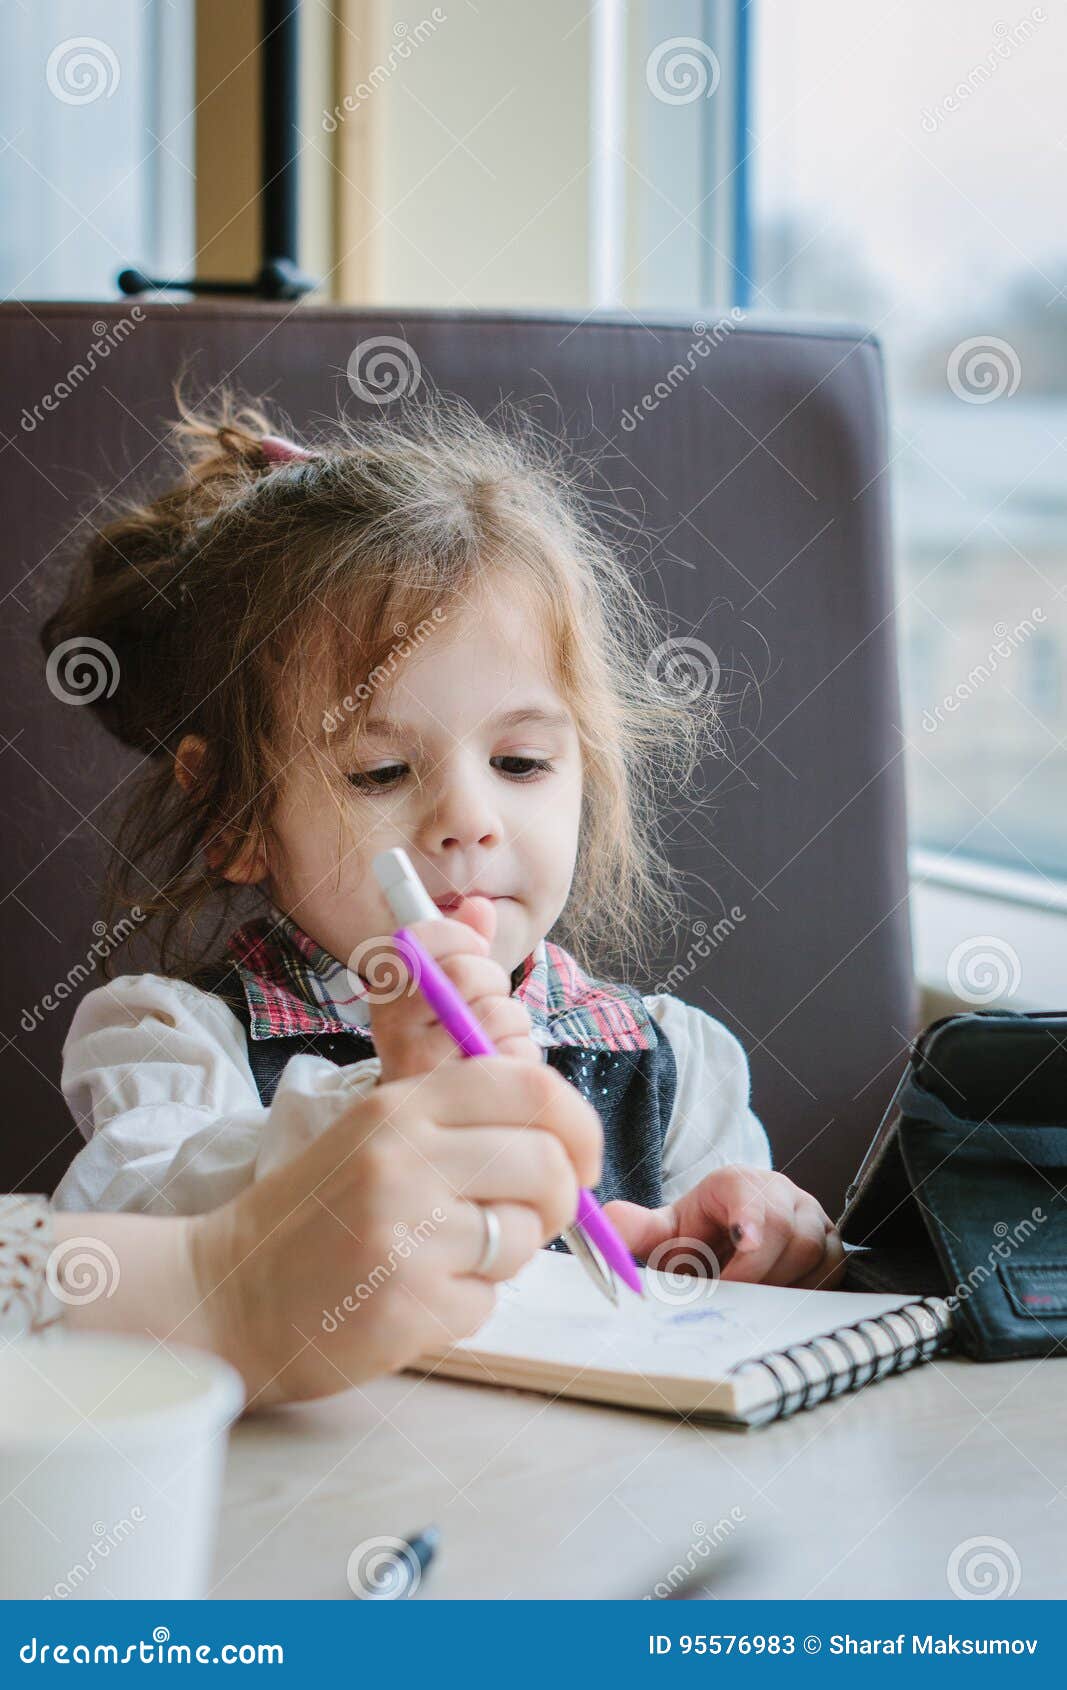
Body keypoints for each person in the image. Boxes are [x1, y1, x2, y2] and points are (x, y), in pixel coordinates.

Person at [42, 390, 843, 1291]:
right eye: (381, 773)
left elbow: (713, 1337)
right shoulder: (175, 1040)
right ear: (235, 815)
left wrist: (740, 1242)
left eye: (521, 760)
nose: (469, 819)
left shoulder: (672, 1067)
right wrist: (395, 1110)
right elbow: (126, 1236)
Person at [1, 1060, 601, 1405]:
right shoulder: (174, 1031)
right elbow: (121, 1191)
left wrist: (669, 1249)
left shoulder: (670, 1046)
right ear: (245, 845)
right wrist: (229, 1284)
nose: (472, 831)